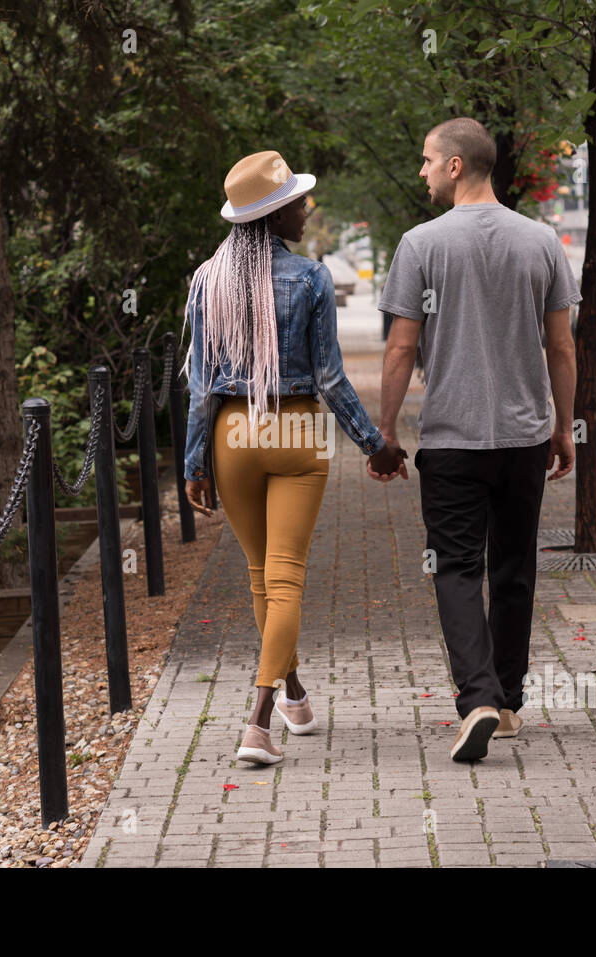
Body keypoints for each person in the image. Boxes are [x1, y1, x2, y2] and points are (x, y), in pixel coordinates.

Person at [182, 149, 407, 766]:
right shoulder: (310, 278)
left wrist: (194, 463)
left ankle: (295, 694)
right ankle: (256, 724)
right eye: (297, 203)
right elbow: (332, 381)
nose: (307, 209)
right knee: (285, 577)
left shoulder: (207, 279)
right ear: (274, 214)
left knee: (263, 578)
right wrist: (376, 446)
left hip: (233, 434)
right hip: (296, 432)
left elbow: (201, 386)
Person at [374, 118, 579, 762]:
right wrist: (562, 426)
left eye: (428, 159)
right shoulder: (541, 241)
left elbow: (402, 347)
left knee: (457, 568)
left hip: (454, 440)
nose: (422, 171)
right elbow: (562, 346)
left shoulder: (420, 245)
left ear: (457, 166)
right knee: (514, 568)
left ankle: (479, 699)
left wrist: (383, 431)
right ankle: (509, 701)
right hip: (523, 439)